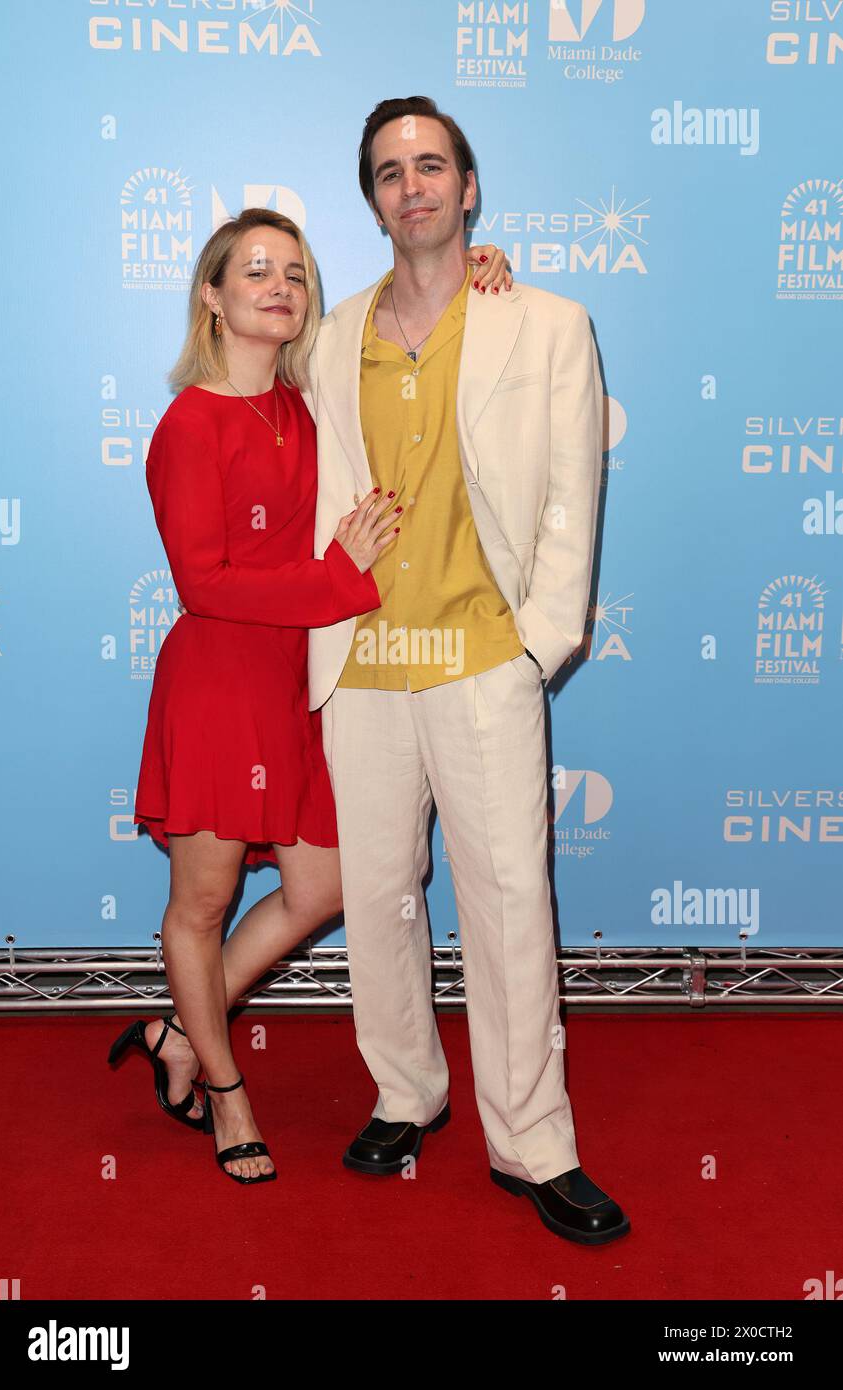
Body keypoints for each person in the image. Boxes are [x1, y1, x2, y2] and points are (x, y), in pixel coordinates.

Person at [109, 206, 511, 1185]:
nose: (279, 285)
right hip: (218, 685)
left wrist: (476, 275)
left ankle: (173, 1030)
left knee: (324, 886)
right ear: (211, 295)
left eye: (293, 271)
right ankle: (225, 1083)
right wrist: (340, 579)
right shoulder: (186, 424)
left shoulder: (310, 401)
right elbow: (205, 584)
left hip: (299, 682)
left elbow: (407, 324)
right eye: (253, 271)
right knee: (199, 904)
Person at [305, 97, 630, 1244]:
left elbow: (565, 505)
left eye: (431, 165)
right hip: (365, 663)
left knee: (506, 904)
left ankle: (533, 1141)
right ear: (374, 199)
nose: (413, 186)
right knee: (382, 901)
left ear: (469, 185)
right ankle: (407, 1091)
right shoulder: (328, 334)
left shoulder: (544, 318)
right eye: (390, 172)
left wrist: (538, 641)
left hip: (483, 658)